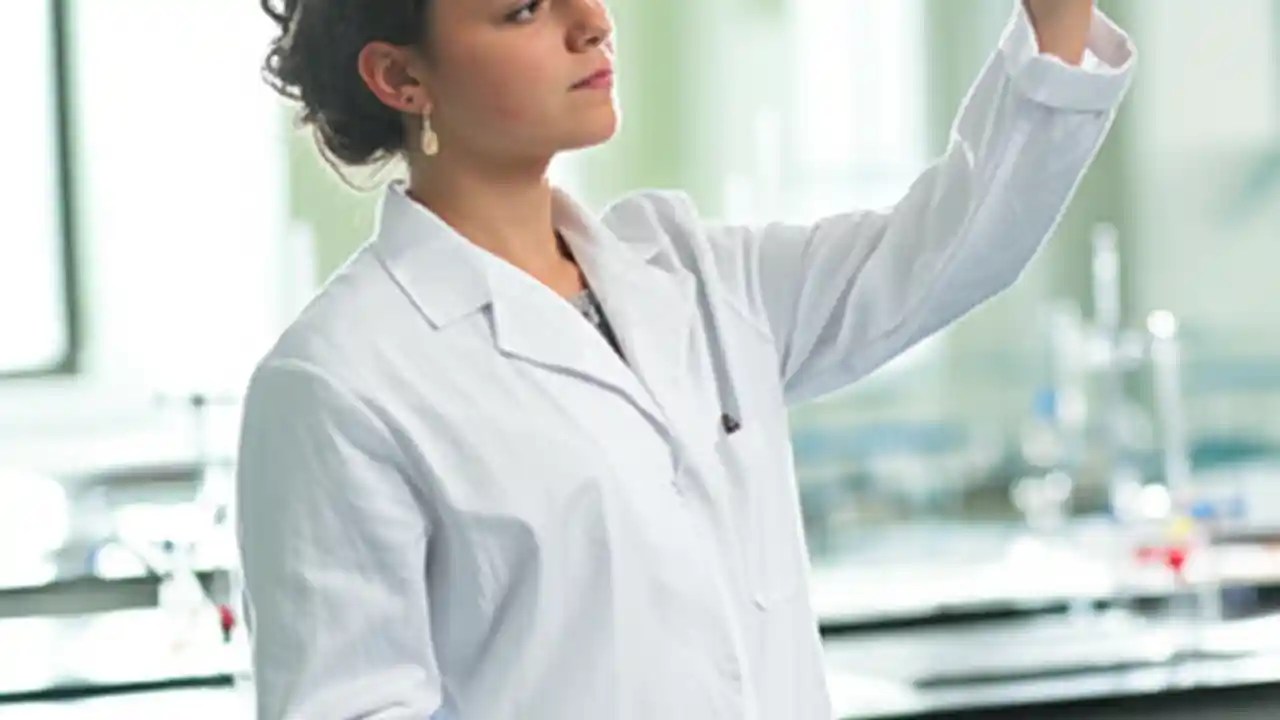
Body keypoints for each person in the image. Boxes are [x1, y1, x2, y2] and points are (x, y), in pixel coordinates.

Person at [235, 0, 1136, 717]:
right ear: (401, 76)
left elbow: (950, 250)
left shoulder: (695, 274)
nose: (592, 19)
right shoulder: (339, 380)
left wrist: (1056, 18)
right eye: (524, 9)